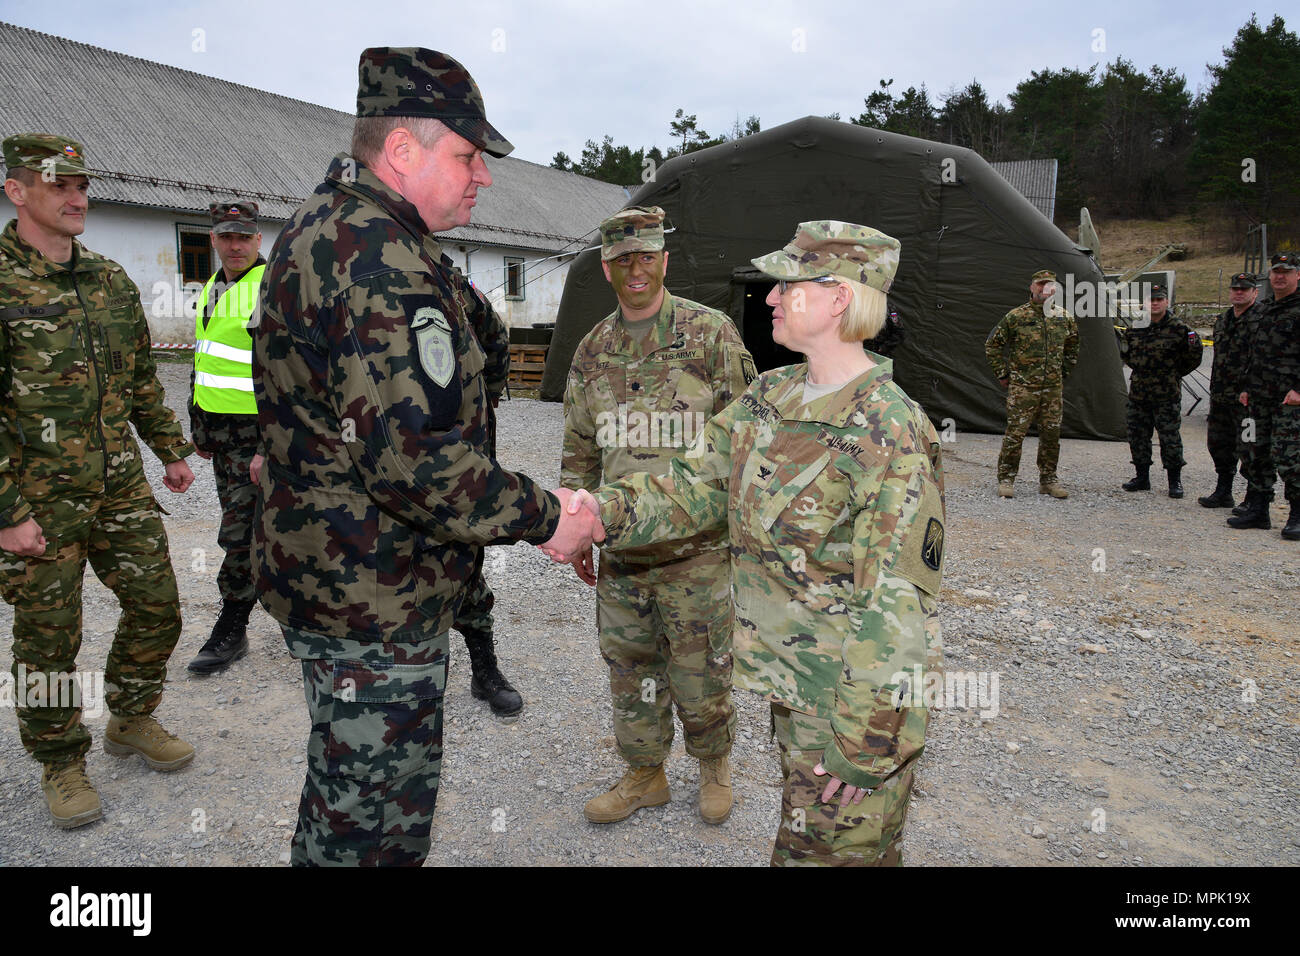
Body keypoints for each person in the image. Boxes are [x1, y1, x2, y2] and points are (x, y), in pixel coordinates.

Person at [251, 47, 598, 867]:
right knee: (370, 820)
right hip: (371, 599)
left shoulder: (336, 227)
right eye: (469, 156)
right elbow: (419, 466)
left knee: (349, 794)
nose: (483, 178)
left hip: (348, 579)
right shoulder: (380, 262)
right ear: (403, 151)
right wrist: (552, 518)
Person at [556, 221, 945, 866]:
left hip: (848, 710)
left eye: (787, 285)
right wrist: (598, 512)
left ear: (839, 297)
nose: (769, 297)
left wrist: (864, 744)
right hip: (796, 695)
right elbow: (694, 483)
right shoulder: (772, 396)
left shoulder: (891, 430)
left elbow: (897, 608)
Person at [0, 133, 197, 830]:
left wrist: (169, 448)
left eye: (81, 185)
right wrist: (6, 512)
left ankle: (132, 716)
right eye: (58, 185)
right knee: (49, 638)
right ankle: (59, 760)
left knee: (158, 605)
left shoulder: (108, 279)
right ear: (17, 191)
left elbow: (140, 376)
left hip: (118, 485)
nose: (77, 197)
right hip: (37, 500)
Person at [562, 205, 754, 825]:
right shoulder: (592, 350)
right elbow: (580, 446)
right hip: (622, 552)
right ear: (606, 267)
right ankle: (645, 775)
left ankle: (714, 765)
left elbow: (749, 437)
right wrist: (573, 529)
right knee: (630, 670)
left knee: (702, 673)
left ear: (665, 261)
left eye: (647, 256)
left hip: (695, 551)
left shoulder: (711, 335)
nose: (635, 269)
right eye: (622, 259)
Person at [186, 200, 265, 674]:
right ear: (213, 240)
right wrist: (199, 423)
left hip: (258, 439)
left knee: (240, 537)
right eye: (225, 237)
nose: (234, 245)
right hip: (222, 437)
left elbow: (289, 374)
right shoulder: (215, 286)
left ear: (259, 240)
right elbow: (205, 358)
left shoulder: (271, 287)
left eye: (244, 237)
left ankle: (231, 626)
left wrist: (266, 446)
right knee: (254, 533)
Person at [445, 265, 523, 719]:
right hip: (381, 452)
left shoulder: (452, 283)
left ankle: (484, 669)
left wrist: (483, 404)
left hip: (458, 449)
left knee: (465, 553)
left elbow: (494, 336)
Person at [984, 269, 1079, 499]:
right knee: (1015, 434)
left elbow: (1072, 347)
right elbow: (993, 345)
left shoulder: (1064, 318)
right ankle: (1006, 479)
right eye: (1040, 284)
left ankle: (1048, 480)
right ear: (1032, 287)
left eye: (1049, 285)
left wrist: (1062, 372)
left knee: (1051, 434)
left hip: (1052, 390)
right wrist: (1003, 374)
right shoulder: (1016, 317)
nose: (1044, 288)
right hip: (1023, 388)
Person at [1229, 252, 1300, 538]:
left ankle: (1297, 514)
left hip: (1287, 398)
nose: (1280, 276)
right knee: (1253, 450)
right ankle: (1258, 509)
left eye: (1287, 271)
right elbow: (1254, 353)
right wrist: (1246, 387)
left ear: (1298, 275)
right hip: (1257, 397)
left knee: (1289, 456)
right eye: (1276, 271)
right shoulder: (1266, 308)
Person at [1117, 284, 1202, 498]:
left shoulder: (1180, 329)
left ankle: (1175, 481)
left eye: (1159, 299)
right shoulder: (1136, 327)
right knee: (1137, 436)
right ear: (1145, 303)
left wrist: (1174, 373)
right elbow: (1126, 353)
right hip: (1139, 393)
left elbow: (1194, 355)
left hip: (1167, 394)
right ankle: (1141, 477)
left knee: (1169, 437)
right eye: (1150, 300)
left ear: (1166, 302)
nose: (1154, 303)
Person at [1197, 273, 1258, 508]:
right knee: (1219, 444)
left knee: (1250, 447)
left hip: (1248, 399)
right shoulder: (1223, 320)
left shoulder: (1262, 319)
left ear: (1255, 292)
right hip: (1222, 395)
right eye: (1235, 289)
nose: (1239, 292)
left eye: (1244, 289)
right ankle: (1224, 491)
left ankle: (1254, 498)